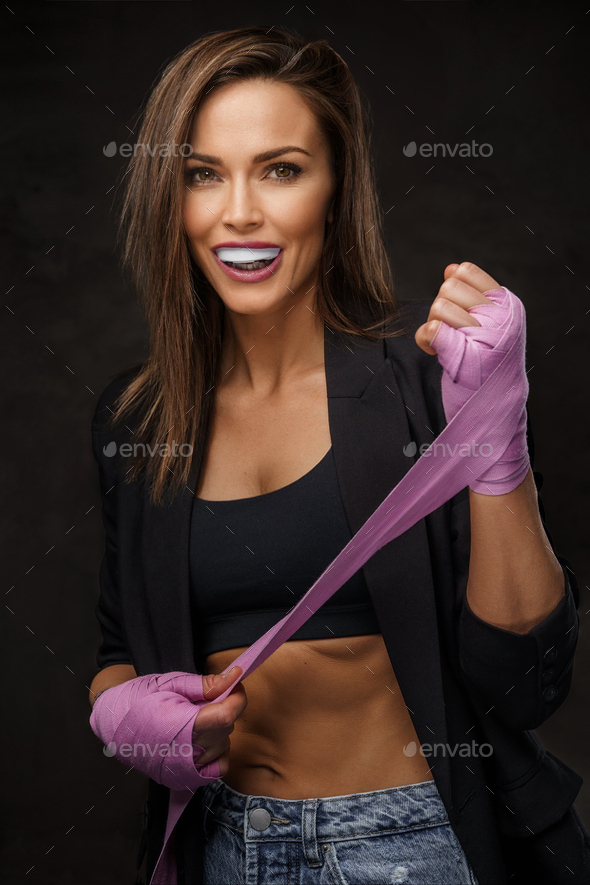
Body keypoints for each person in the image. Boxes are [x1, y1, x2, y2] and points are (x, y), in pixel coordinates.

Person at [87, 24, 589, 885]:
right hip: (224, 848)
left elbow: (524, 686)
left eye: (281, 168)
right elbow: (116, 648)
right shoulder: (137, 419)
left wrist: (495, 444)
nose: (239, 212)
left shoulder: (429, 387)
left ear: (335, 186)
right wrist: (123, 718)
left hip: (415, 842)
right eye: (203, 174)